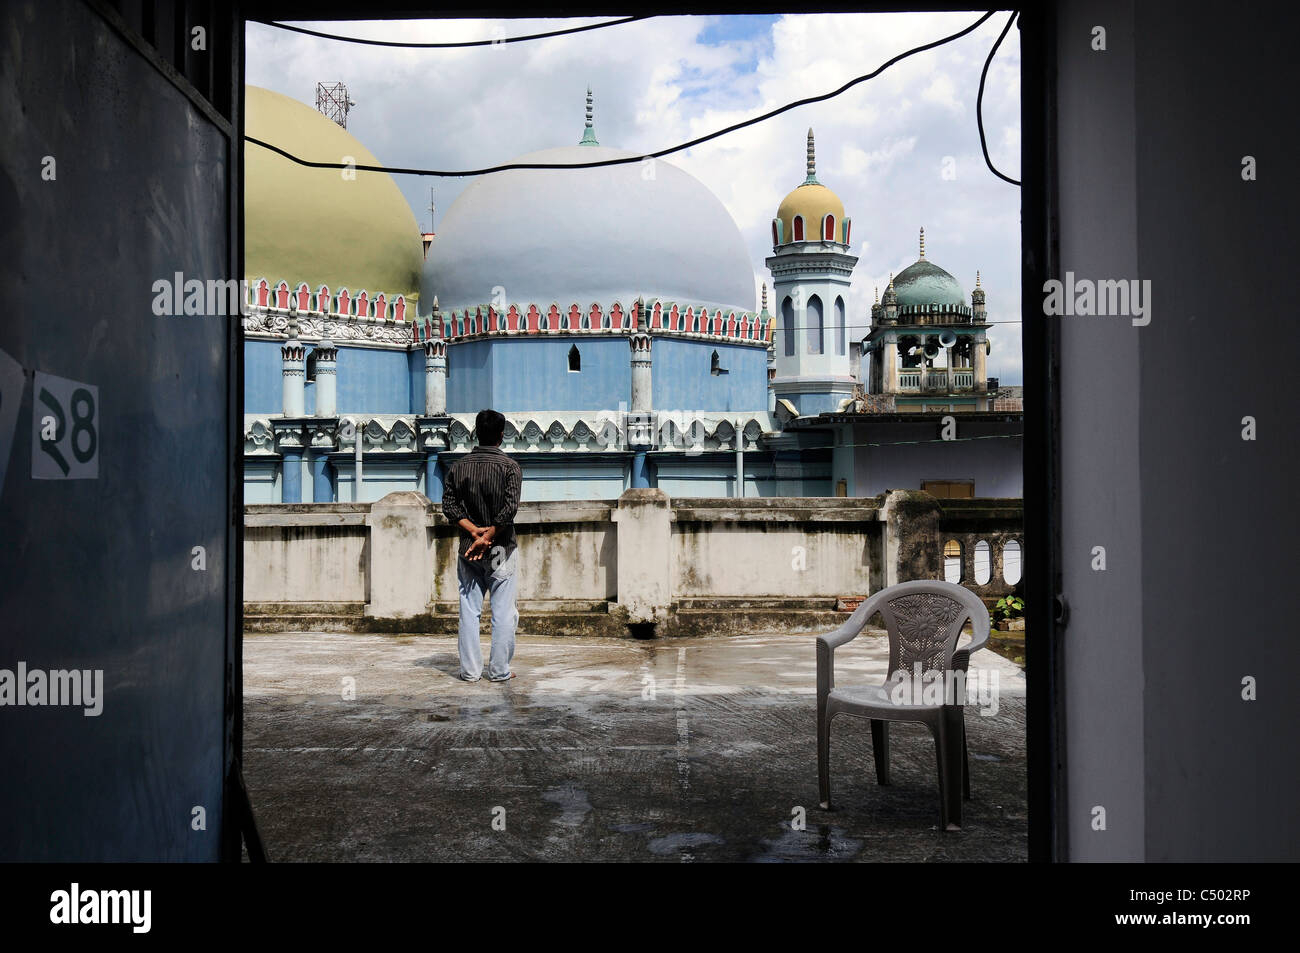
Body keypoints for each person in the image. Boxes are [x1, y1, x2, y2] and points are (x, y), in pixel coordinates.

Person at [440, 409, 523, 682]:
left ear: (476, 433)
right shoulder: (510, 467)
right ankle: (499, 671)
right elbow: (509, 509)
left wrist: (474, 533)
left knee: (469, 610)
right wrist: (488, 537)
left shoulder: (458, 467)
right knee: (502, 612)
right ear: (502, 435)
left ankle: (470, 671)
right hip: (501, 549)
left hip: (468, 549)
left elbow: (449, 506)